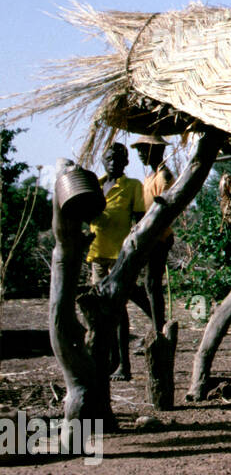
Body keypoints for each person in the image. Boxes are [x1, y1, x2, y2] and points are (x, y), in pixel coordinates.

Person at [86, 142, 145, 380]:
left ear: (126, 162)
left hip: (119, 256)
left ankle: (124, 364)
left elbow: (140, 218)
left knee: (118, 310)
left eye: (119, 159)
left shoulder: (132, 186)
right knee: (99, 311)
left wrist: (133, 247)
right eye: (109, 158)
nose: (113, 162)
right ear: (103, 160)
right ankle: (105, 360)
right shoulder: (95, 185)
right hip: (97, 254)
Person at [131, 134, 175, 334]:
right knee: (142, 284)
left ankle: (159, 330)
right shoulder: (149, 177)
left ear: (157, 151)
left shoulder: (163, 177)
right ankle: (159, 324)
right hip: (147, 235)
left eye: (144, 149)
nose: (140, 154)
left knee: (152, 284)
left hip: (158, 237)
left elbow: (165, 210)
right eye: (139, 150)